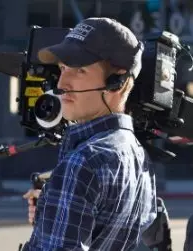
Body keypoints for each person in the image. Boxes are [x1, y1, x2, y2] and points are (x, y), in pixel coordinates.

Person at [22, 17, 157, 251]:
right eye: (63, 68)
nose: (62, 82)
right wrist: (52, 212)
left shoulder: (82, 163)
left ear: (119, 83)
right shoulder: (140, 157)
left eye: (79, 70)